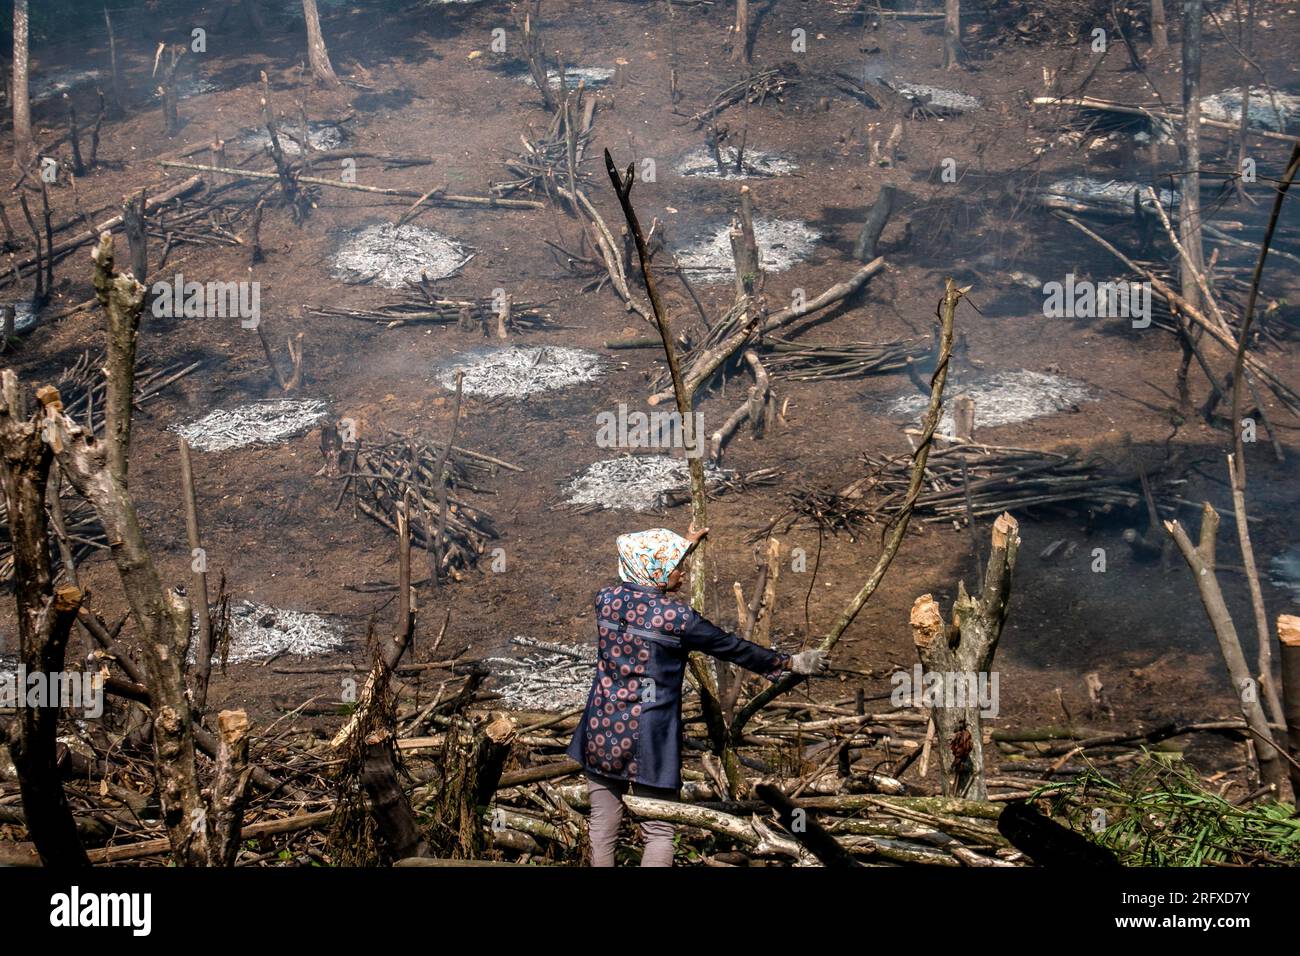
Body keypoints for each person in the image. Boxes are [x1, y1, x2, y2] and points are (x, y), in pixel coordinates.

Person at [566, 524, 829, 866]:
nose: (684, 570)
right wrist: (790, 661)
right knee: (659, 831)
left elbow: (648, 573)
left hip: (601, 730)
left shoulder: (604, 601)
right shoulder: (677, 618)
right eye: (677, 564)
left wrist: (686, 546)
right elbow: (731, 647)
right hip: (649, 738)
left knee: (602, 826)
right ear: (657, 571)